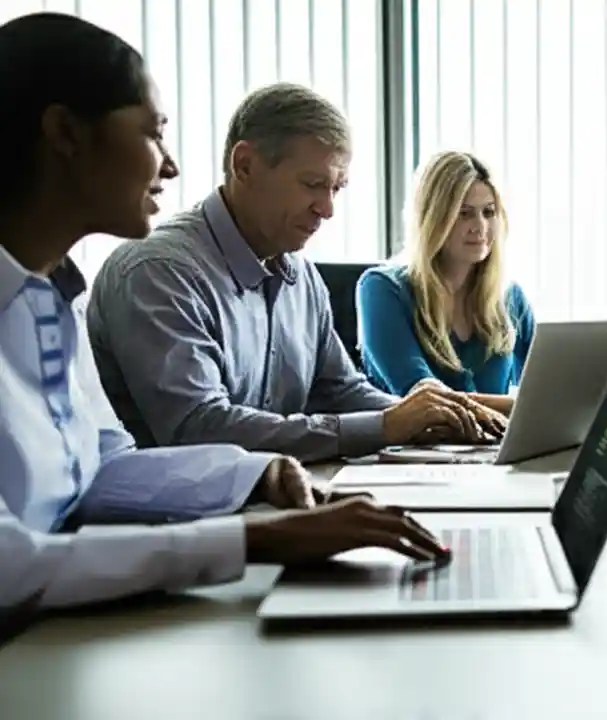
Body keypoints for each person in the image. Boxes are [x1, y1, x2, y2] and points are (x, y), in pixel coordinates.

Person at [0, 13, 446, 613]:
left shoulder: (52, 298)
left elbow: (102, 470)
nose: (171, 166)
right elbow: (14, 567)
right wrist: (256, 538)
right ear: (65, 133)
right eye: (152, 133)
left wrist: (252, 474)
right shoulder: (150, 271)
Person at [87, 84, 503, 464]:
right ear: (245, 165)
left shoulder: (300, 276)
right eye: (312, 184)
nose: (327, 209)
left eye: (336, 188)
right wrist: (388, 426)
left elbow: (337, 390)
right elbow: (198, 429)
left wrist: (428, 416)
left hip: (272, 502)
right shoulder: (159, 272)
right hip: (175, 524)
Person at [357, 152, 533, 414]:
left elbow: (549, 388)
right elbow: (425, 401)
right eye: (464, 214)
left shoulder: (509, 297)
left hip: (491, 451)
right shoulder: (382, 290)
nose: (480, 227)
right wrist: (522, 407)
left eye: (488, 212)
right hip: (411, 453)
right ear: (434, 217)